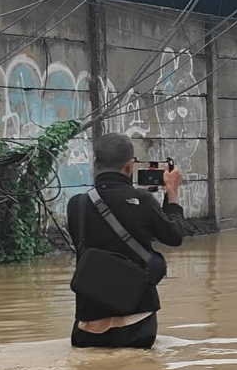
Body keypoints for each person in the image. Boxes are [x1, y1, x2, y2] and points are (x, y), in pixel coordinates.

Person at [66, 133, 185, 348]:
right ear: (130, 166)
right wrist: (172, 193)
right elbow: (174, 236)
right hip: (137, 317)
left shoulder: (77, 205)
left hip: (89, 319)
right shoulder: (143, 200)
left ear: (96, 165)